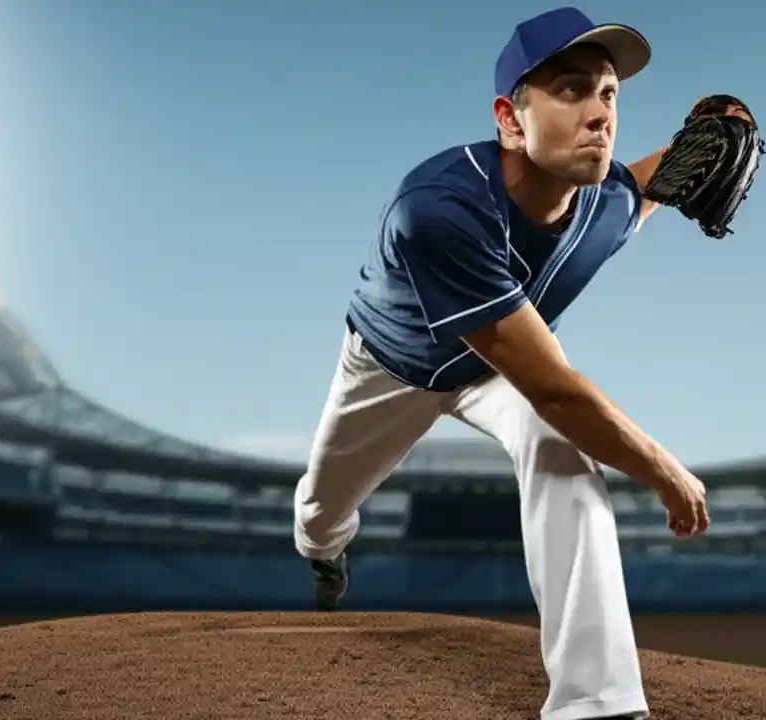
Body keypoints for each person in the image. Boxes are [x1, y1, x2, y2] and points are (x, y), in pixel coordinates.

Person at [292, 7, 719, 720]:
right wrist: (664, 471)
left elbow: (653, 181)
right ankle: (323, 548)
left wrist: (718, 123)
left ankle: (598, 702)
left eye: (609, 94)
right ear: (510, 121)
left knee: (564, 448)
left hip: (500, 368)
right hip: (392, 367)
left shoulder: (602, 204)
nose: (600, 114)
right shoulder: (438, 210)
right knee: (322, 507)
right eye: (571, 89)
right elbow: (557, 391)